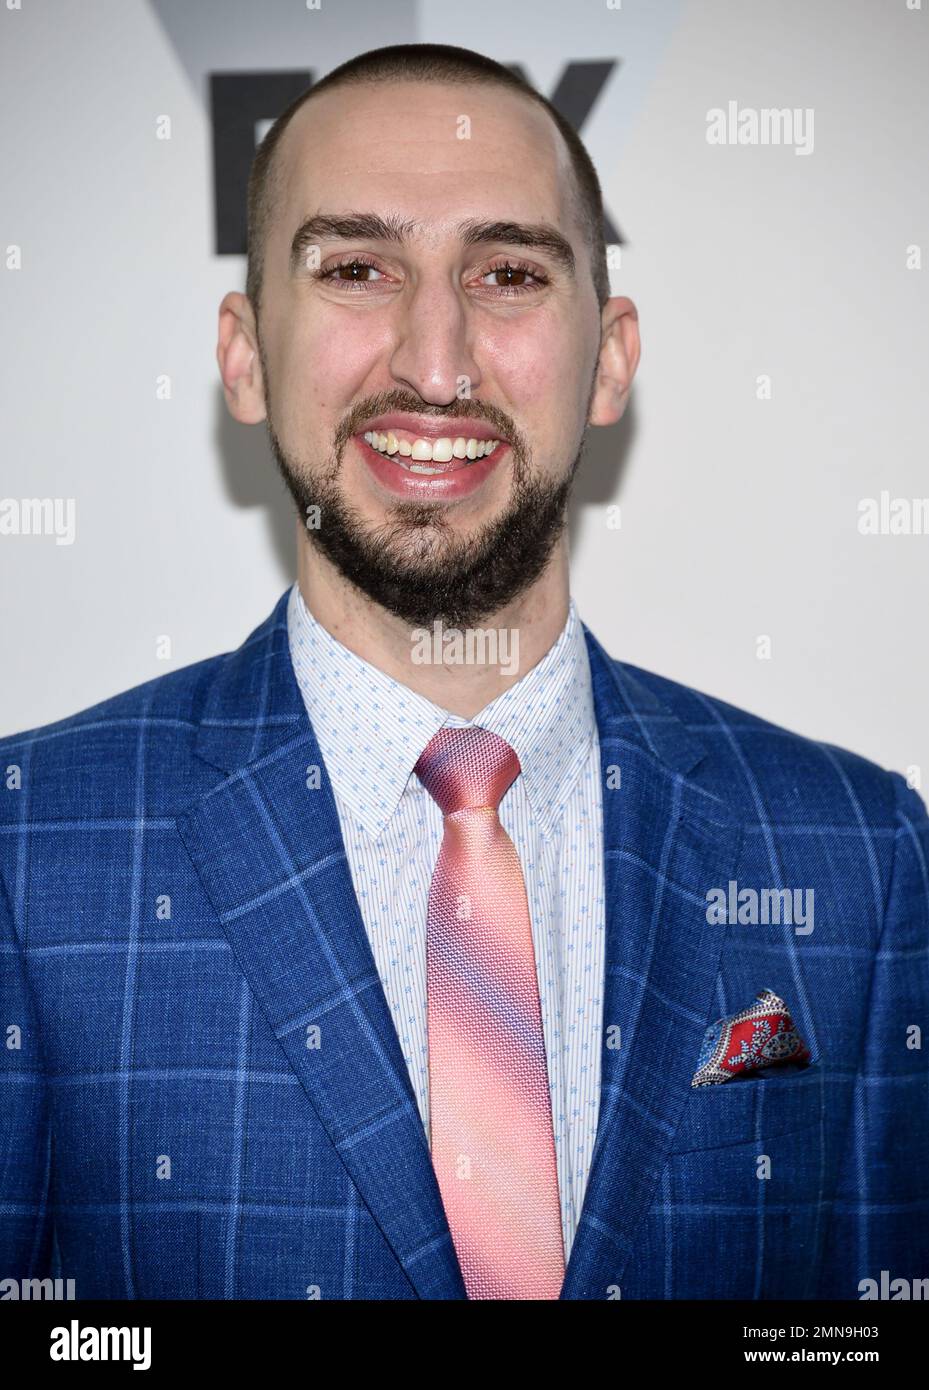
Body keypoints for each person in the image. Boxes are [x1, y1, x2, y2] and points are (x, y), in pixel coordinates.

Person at [1, 43, 926, 1302]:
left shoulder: (852, 855)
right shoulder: (34, 845)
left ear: (607, 357)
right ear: (243, 355)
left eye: (503, 273)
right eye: (355, 269)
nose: (433, 363)